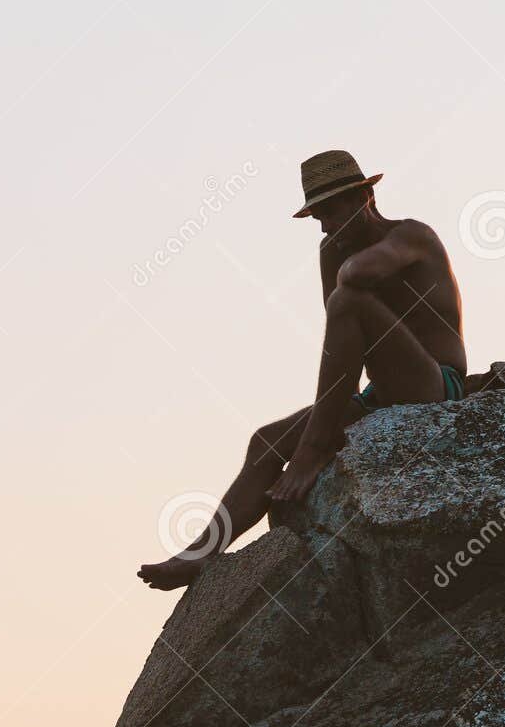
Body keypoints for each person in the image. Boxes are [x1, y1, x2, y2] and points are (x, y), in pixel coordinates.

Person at [138, 150, 467, 591]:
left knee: (348, 300)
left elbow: (357, 280)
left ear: (366, 195)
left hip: (435, 385)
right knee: (266, 441)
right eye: (318, 215)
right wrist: (330, 413)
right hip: (379, 393)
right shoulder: (334, 248)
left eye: (332, 210)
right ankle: (199, 554)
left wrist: (315, 443)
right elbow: (343, 342)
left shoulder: (411, 237)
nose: (326, 225)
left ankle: (315, 447)